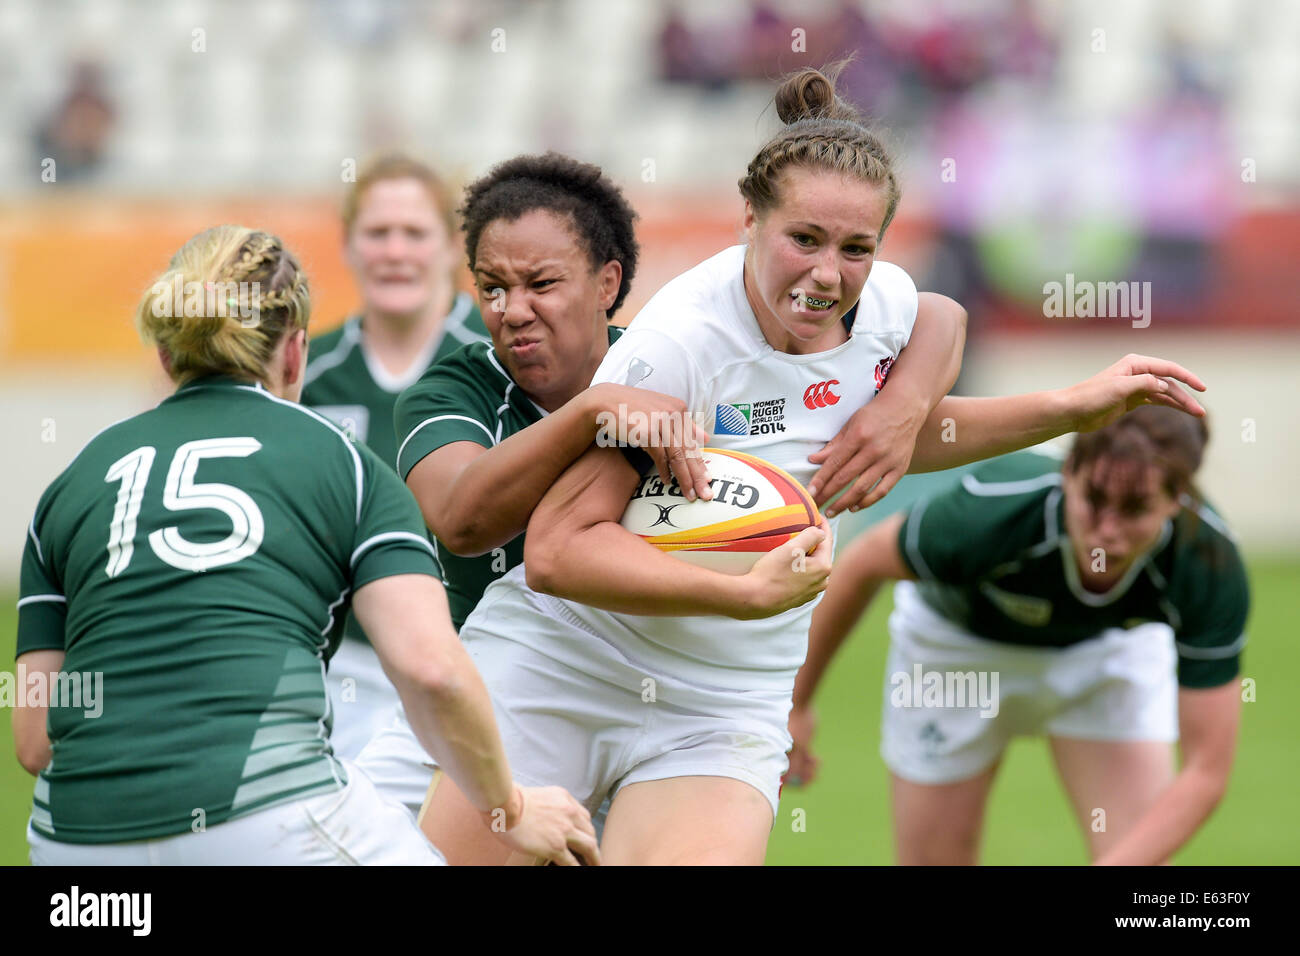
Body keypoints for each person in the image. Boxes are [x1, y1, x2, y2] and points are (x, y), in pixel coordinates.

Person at [414, 66, 1209, 865]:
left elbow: (918, 382)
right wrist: (743, 590)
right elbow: (556, 551)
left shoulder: (889, 309)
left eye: (856, 247)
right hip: (563, 664)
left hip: (724, 700)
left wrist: (1074, 405)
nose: (828, 274)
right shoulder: (680, 343)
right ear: (750, 221)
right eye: (804, 239)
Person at [356, 146, 972, 840]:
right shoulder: (457, 389)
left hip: (676, 703)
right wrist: (594, 412)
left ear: (606, 282)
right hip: (490, 686)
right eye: (492, 287)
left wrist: (907, 403)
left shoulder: (666, 364)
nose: (512, 310)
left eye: (541, 284)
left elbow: (939, 317)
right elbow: (464, 521)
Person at [13, 226, 597, 866]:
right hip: (266, 817)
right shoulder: (342, 463)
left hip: (75, 843)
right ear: (295, 354)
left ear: (165, 354)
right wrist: (508, 810)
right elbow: (431, 670)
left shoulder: (70, 485)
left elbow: (35, 738)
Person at [788, 409, 1248, 865]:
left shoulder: (1207, 561)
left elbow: (1206, 771)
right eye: (1094, 497)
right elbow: (864, 562)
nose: (1107, 531)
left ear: (1177, 499)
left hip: (1104, 656)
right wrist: (797, 705)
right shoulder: (997, 506)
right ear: (1069, 472)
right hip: (957, 649)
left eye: (1134, 509)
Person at [301, 153, 489, 758]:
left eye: (415, 233)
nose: (395, 251)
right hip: (348, 670)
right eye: (377, 233)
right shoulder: (304, 370)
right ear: (349, 246)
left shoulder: (503, 357)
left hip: (481, 658)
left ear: (451, 246)